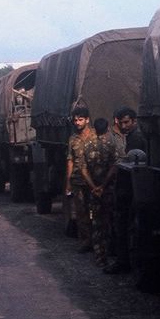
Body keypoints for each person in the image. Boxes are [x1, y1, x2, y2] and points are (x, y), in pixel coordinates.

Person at [106, 106, 147, 273]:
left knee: (122, 223)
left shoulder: (136, 137)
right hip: (136, 187)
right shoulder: (134, 135)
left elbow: (134, 165)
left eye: (127, 122)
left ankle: (123, 262)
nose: (124, 126)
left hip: (133, 188)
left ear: (134, 121)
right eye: (121, 123)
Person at [86, 118, 120, 268]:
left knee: (96, 223)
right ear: (107, 129)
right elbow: (115, 167)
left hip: (93, 191)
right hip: (108, 190)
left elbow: (82, 169)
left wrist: (94, 187)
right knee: (109, 221)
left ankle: (99, 256)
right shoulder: (113, 145)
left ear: (94, 128)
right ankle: (110, 254)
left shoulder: (87, 145)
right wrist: (103, 186)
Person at [65, 104, 97, 252]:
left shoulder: (96, 136)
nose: (77, 122)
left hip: (95, 181)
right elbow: (70, 160)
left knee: (98, 212)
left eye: (80, 119)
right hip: (78, 180)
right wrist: (68, 182)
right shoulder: (72, 139)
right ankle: (86, 242)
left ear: (87, 120)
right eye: (75, 120)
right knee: (81, 212)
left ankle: (100, 242)